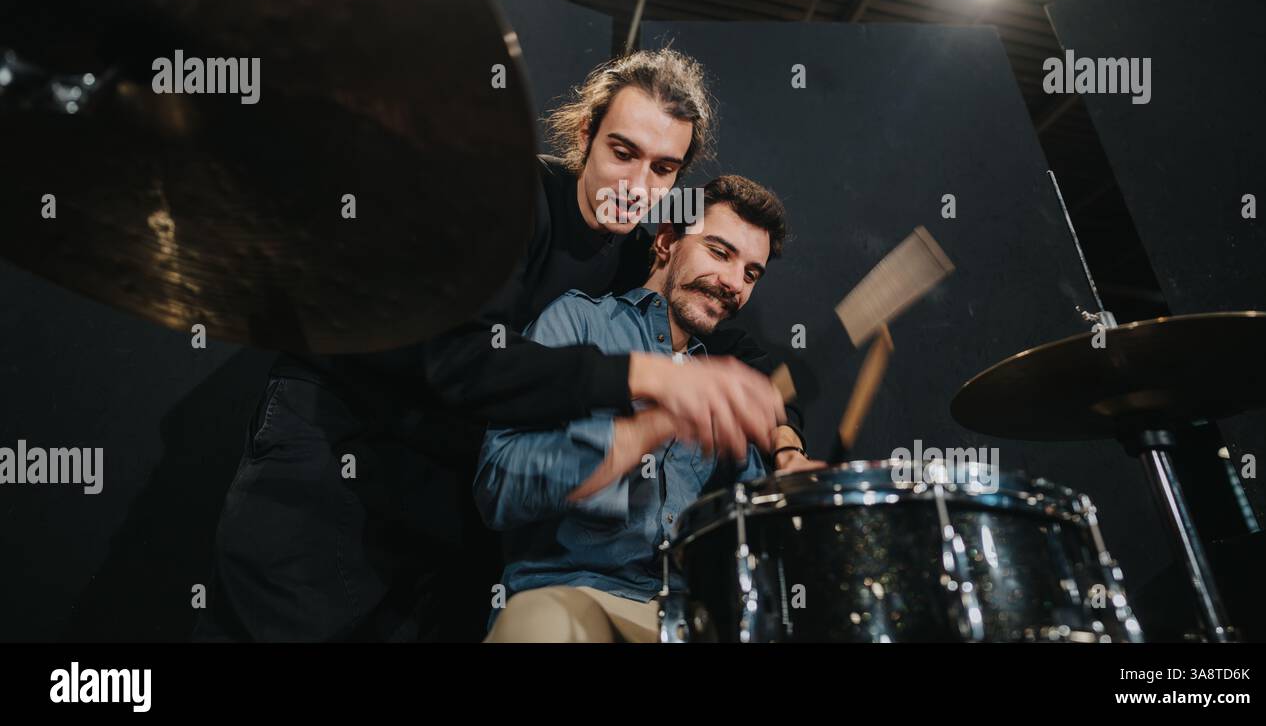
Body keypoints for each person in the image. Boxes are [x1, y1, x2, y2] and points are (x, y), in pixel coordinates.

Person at [196, 50, 800, 641]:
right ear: (587, 132)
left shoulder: (635, 253)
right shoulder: (508, 197)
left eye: (664, 169)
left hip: (445, 500)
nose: (638, 185)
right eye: (623, 152)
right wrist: (651, 379)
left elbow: (725, 334)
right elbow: (461, 360)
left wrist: (785, 442)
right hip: (334, 441)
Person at [476, 175, 819, 643]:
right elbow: (498, 484)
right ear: (667, 241)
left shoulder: (730, 376)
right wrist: (638, 435)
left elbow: (753, 534)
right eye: (719, 252)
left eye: (751, 273)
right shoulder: (579, 322)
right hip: (573, 595)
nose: (733, 283)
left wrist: (790, 492)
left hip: (688, 618)